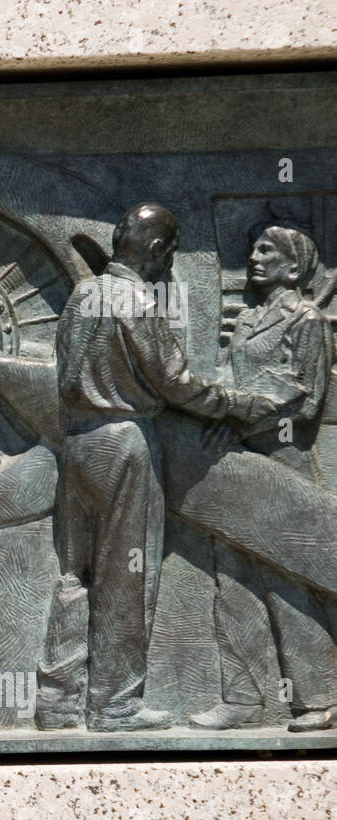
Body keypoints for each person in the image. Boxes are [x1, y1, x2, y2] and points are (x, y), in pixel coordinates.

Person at [52, 202, 280, 731]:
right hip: (123, 444)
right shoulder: (135, 299)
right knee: (125, 577)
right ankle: (113, 705)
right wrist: (238, 404)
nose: (169, 265)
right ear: (156, 250)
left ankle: (57, 700)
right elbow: (175, 383)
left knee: (71, 573)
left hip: (78, 443)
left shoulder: (82, 294)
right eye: (170, 253)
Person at [191, 225, 337, 732]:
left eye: (266, 250)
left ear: (294, 267)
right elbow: (230, 378)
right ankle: (242, 697)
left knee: (287, 581)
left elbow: (302, 392)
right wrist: (216, 414)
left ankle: (317, 697)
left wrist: (234, 419)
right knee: (229, 577)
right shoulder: (249, 318)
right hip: (233, 460)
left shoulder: (308, 319)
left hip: (281, 459)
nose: (253, 256)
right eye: (253, 247)